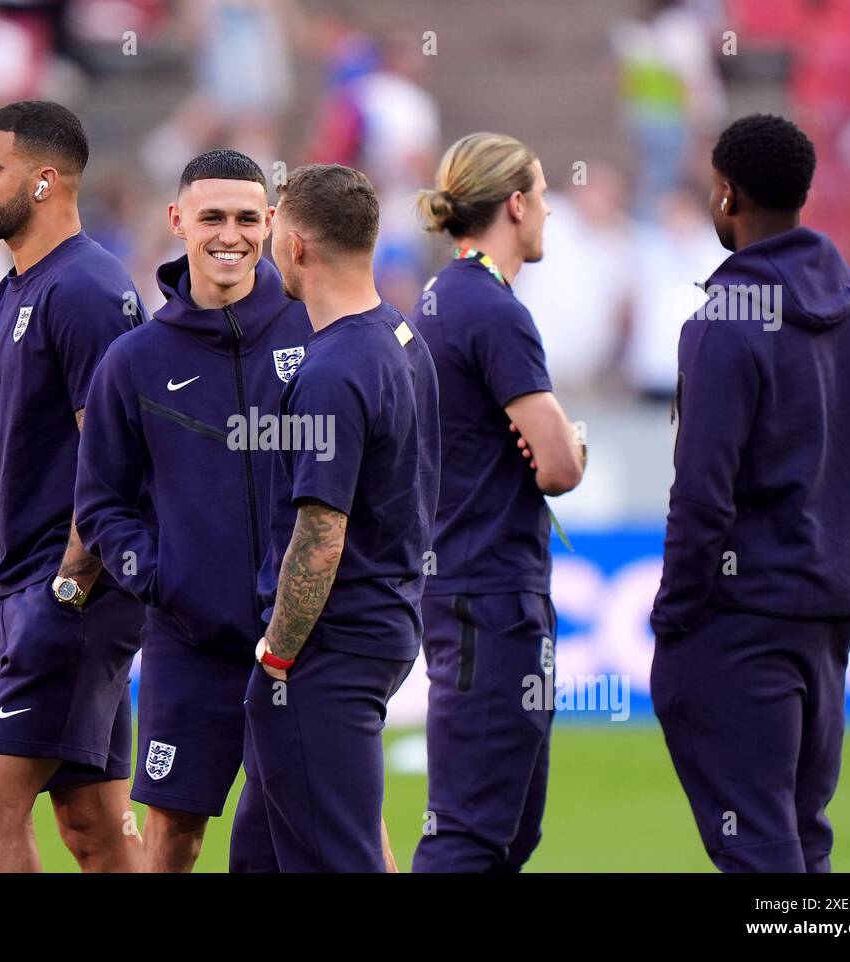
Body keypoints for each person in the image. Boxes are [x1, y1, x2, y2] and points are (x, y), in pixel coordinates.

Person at [650, 114, 850, 872]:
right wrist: (838, 574)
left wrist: (676, 614)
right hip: (825, 619)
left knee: (759, 850)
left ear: (726, 195)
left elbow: (701, 492)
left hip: (737, 623)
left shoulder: (723, 322)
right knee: (798, 838)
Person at [74, 149, 311, 871]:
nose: (229, 235)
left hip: (305, 640)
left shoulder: (318, 331)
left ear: (272, 224)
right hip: (188, 642)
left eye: (246, 218)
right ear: (177, 221)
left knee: (341, 830)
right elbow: (102, 502)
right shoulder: (135, 359)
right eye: (211, 217)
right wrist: (160, 579)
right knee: (174, 837)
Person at [239, 163, 440, 872]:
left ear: (295, 246)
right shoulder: (402, 341)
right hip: (379, 624)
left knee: (336, 857)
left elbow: (320, 540)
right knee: (261, 855)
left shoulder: (330, 369)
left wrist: (279, 655)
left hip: (327, 649)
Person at [0, 101, 146, 872]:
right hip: (24, 590)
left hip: (71, 597)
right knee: (94, 824)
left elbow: (116, 463)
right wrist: (3, 587)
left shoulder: (89, 293)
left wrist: (67, 591)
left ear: (43, 182)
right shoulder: (0, 300)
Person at [409, 133, 586, 873]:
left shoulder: (438, 298)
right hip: (491, 594)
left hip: (462, 582)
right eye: (541, 195)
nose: (545, 211)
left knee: (506, 834)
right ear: (515, 204)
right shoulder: (493, 309)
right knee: (472, 834)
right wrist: (573, 441)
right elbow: (558, 467)